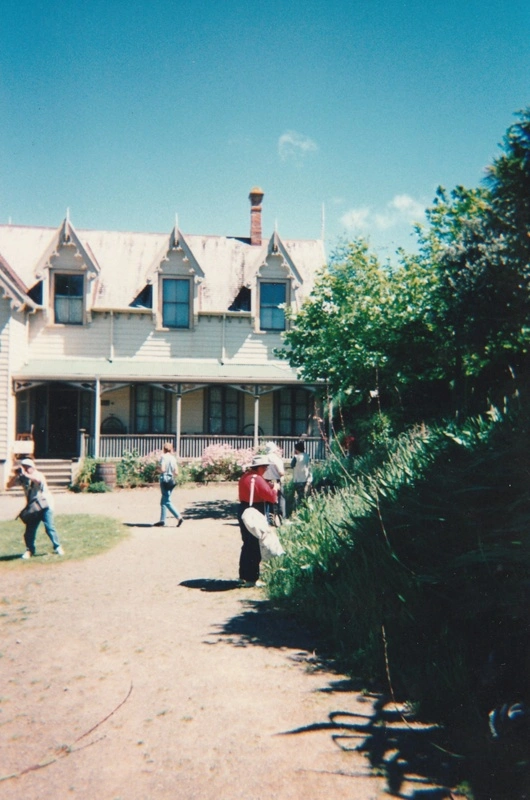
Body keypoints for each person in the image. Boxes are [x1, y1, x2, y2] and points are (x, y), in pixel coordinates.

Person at [7, 457, 64, 559]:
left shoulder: (38, 474)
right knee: (30, 530)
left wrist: (26, 474)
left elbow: (38, 481)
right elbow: (9, 485)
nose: (25, 469)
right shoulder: (22, 478)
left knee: (49, 527)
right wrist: (15, 475)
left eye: (27, 467)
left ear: (32, 467)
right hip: (33, 507)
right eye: (24, 467)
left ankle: (57, 546)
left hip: (45, 504)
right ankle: (30, 550)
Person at [237, 454, 277, 586]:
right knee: (254, 545)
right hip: (254, 511)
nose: (266, 469)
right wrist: (275, 489)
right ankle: (251, 579)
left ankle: (243, 575)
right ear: (259, 467)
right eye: (265, 467)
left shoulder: (245, 477)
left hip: (243, 510)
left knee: (246, 543)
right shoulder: (258, 479)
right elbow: (271, 497)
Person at [154, 442, 183, 527]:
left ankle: (179, 517)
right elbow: (176, 472)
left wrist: (158, 469)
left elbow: (163, 469)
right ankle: (162, 520)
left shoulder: (163, 457)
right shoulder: (173, 458)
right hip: (171, 480)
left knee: (167, 501)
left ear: (164, 449)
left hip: (164, 479)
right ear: (171, 449)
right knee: (163, 500)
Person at [263, 441, 286, 522]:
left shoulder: (264, 459)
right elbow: (281, 472)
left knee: (267, 499)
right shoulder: (276, 459)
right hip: (276, 481)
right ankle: (282, 518)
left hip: (266, 481)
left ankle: (268, 519)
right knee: (281, 499)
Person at [290, 440, 312, 510]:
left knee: (300, 497)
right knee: (306, 497)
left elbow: (292, 465)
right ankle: (306, 509)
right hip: (306, 479)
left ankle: (300, 510)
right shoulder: (307, 456)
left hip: (298, 480)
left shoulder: (296, 457)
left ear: (296, 449)